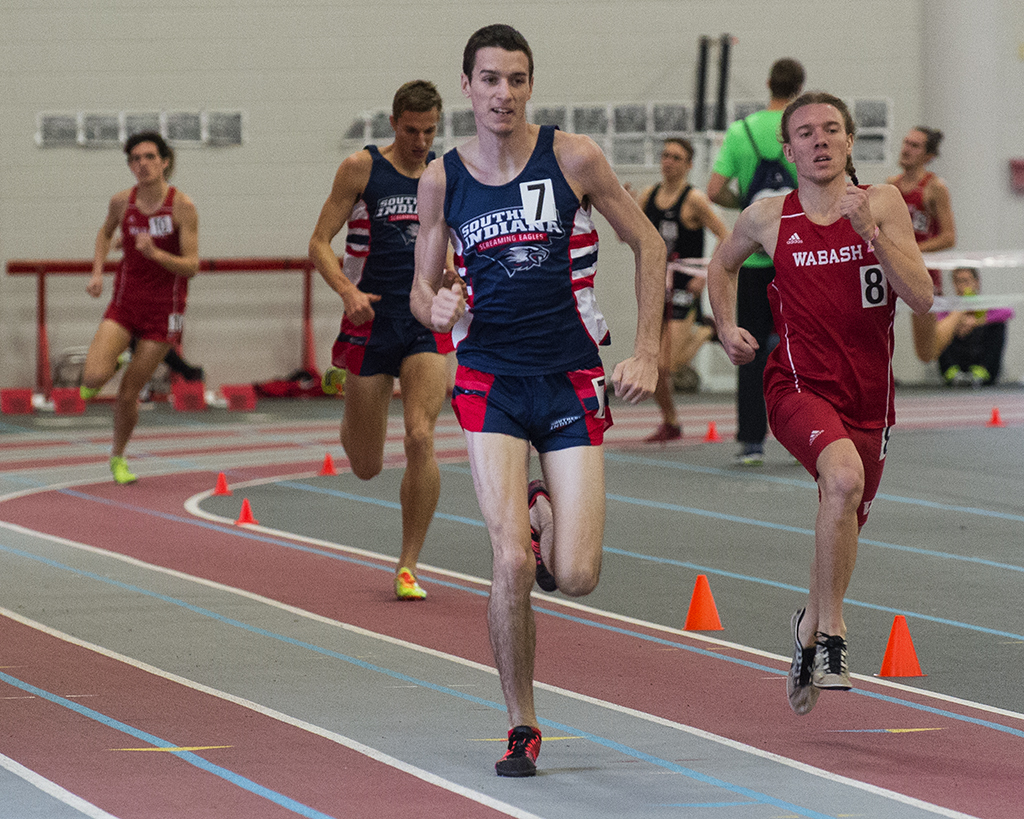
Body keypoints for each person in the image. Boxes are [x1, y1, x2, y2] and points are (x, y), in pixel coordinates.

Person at [410, 24, 663, 776]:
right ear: (468, 86)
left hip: (568, 377)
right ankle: (521, 722)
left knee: (576, 573)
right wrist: (437, 311)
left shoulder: (573, 157)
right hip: (487, 377)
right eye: (490, 79)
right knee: (511, 563)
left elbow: (648, 244)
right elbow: (423, 288)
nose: (504, 94)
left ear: (530, 86)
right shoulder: (441, 179)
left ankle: (542, 510)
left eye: (517, 79)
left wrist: (649, 348)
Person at [706, 92, 933, 716]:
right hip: (797, 386)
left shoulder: (882, 204)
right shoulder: (766, 218)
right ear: (788, 149)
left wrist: (875, 238)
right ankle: (832, 632)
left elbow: (922, 297)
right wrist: (726, 327)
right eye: (805, 132)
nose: (819, 139)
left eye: (831, 129)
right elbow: (719, 267)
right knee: (841, 478)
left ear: (849, 140)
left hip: (871, 399)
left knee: (846, 513)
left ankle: (808, 624)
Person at [309, 80, 453, 602]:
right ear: (394, 123)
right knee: (367, 466)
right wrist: (347, 291)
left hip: (424, 323)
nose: (420, 141)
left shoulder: (448, 175)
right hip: (370, 318)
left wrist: (456, 282)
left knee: (420, 436)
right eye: (411, 131)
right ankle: (350, 416)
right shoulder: (361, 169)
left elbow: (459, 247)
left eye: (429, 131)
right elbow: (318, 242)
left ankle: (408, 564)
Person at [81, 131, 199, 484]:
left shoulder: (182, 206)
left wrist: (156, 254)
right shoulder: (122, 202)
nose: (142, 164)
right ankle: (117, 358)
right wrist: (97, 273)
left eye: (149, 157)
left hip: (165, 309)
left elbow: (192, 265)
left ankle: (118, 457)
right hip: (125, 302)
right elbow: (104, 233)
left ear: (164, 161)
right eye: (135, 158)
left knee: (129, 391)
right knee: (91, 379)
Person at [707, 58, 805, 465]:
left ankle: (751, 440)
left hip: (752, 262)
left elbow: (714, 190)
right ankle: (811, 433)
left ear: (767, 83)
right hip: (798, 258)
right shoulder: (803, 130)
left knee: (747, 351)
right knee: (805, 348)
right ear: (799, 88)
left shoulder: (741, 132)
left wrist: (748, 209)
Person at [636, 138, 729, 442]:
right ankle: (671, 421)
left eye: (676, 157)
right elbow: (628, 236)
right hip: (656, 285)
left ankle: (705, 330)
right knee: (655, 367)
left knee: (670, 364)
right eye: (665, 155)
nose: (668, 161)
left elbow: (725, 236)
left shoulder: (695, 200)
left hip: (685, 284)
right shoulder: (649, 196)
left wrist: (706, 274)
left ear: (689, 165)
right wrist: (625, 203)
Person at [887, 126, 956, 362]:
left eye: (914, 146)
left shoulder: (934, 188)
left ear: (928, 156)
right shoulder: (890, 186)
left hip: (922, 272)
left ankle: (957, 314)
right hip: (892, 269)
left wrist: (911, 251)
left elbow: (949, 237)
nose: (906, 149)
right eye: (906, 142)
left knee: (926, 354)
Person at [936, 267, 1013, 386]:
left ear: (976, 282)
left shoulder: (984, 305)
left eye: (966, 281)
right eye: (958, 281)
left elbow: (1008, 312)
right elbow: (936, 319)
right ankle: (952, 372)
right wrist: (956, 323)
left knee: (998, 325)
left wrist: (976, 321)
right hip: (957, 355)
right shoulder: (949, 306)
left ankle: (983, 371)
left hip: (980, 357)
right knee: (940, 328)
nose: (962, 286)